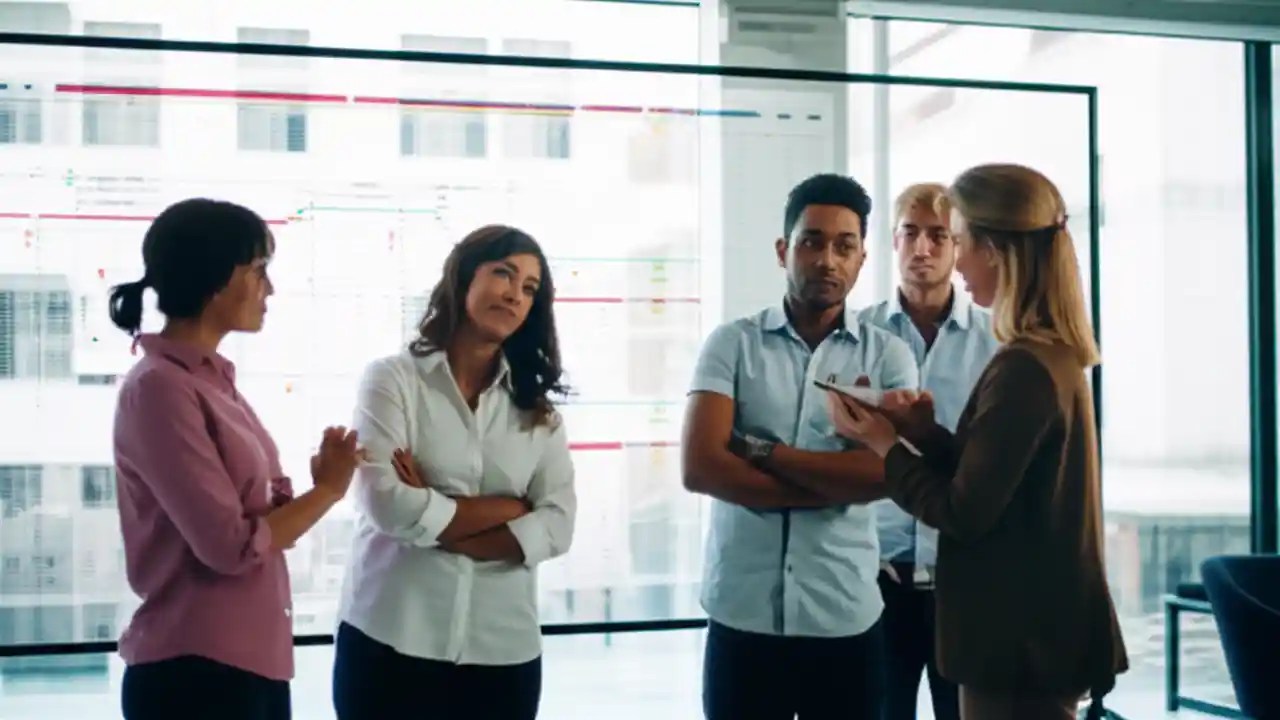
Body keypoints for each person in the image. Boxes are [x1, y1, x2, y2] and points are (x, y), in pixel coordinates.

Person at [827, 164, 1128, 720]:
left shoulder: (1021, 364)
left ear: (995, 249)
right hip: (1030, 630)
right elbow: (995, 476)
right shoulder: (1047, 354)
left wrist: (883, 444)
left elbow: (963, 510)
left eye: (956, 240)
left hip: (1016, 639)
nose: (951, 259)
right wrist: (923, 433)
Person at [109, 198, 364, 720]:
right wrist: (328, 492)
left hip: (248, 667)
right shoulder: (159, 388)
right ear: (215, 276)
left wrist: (303, 498)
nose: (269, 288)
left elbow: (266, 521)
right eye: (258, 270)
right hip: (195, 672)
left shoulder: (213, 381)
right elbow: (230, 546)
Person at [682, 173, 919, 720]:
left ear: (862, 259)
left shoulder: (888, 357)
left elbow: (885, 476)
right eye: (811, 241)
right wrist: (836, 485)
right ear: (784, 250)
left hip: (843, 616)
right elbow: (701, 468)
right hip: (742, 616)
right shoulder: (732, 343)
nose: (827, 260)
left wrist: (761, 452)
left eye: (844, 245)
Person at [332, 225, 577, 720]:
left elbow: (558, 525)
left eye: (529, 288)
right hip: (390, 640)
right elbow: (386, 503)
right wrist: (508, 511)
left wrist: (439, 522)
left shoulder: (538, 413)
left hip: (502, 652)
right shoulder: (393, 380)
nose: (514, 294)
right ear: (464, 277)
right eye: (503, 274)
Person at [857, 183, 999, 720]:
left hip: (961, 584)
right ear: (892, 242)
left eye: (938, 235)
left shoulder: (998, 344)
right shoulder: (856, 335)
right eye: (910, 233)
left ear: (958, 246)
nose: (923, 249)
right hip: (874, 580)